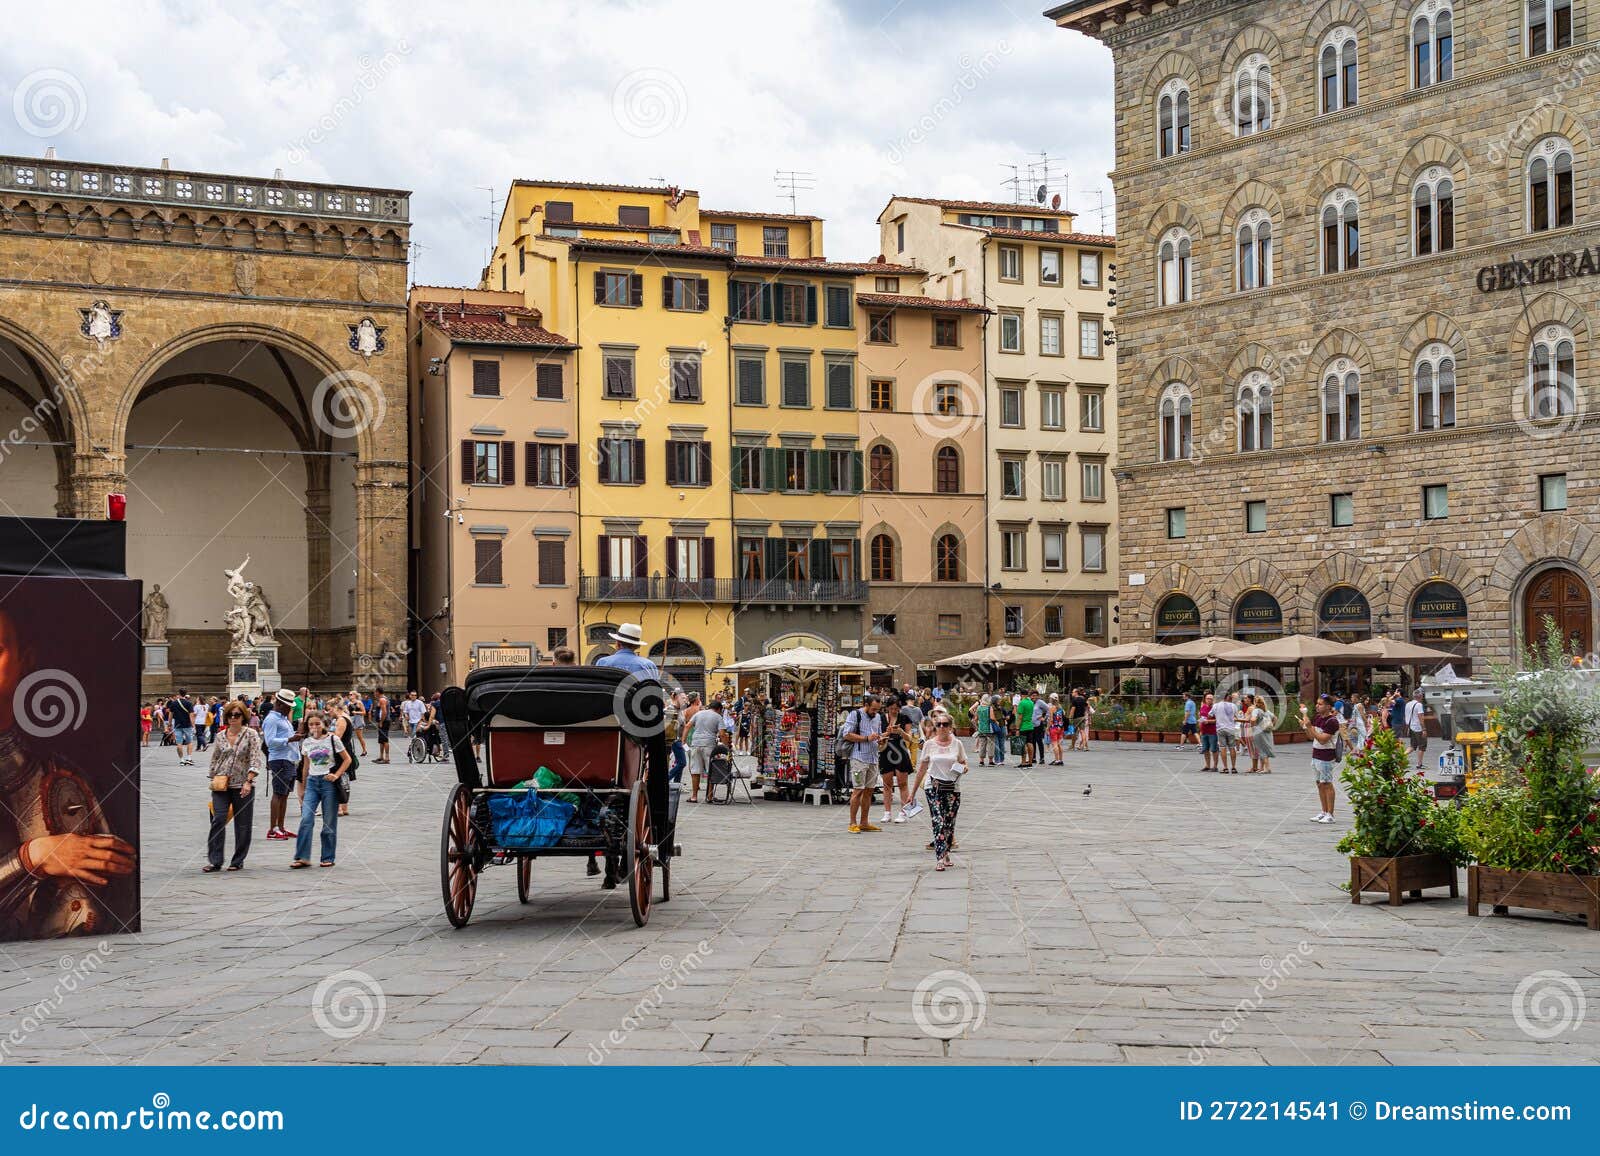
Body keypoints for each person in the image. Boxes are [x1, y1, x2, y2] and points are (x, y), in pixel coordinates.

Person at [203, 701, 265, 872]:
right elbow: (215, 758)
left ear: (243, 716)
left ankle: (237, 860)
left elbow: (255, 759)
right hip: (221, 784)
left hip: (242, 784)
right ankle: (215, 860)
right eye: (230, 715)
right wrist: (213, 777)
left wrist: (249, 781)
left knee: (243, 824)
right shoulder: (220, 736)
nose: (233, 718)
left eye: (236, 715)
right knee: (218, 819)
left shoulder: (251, 734)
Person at [291, 711, 349, 869]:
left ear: (324, 724)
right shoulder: (307, 742)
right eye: (311, 724)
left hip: (328, 783)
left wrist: (336, 775)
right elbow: (305, 766)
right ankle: (302, 857)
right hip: (312, 782)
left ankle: (327, 856)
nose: (314, 727)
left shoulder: (333, 739)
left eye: (317, 723)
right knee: (306, 819)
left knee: (329, 822)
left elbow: (347, 759)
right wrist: (303, 788)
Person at [911, 710, 968, 869]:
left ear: (950, 727)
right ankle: (940, 858)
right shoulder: (929, 744)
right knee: (938, 820)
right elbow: (921, 769)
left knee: (949, 822)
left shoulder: (957, 744)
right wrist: (912, 793)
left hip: (952, 788)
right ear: (935, 726)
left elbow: (964, 763)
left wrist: (963, 768)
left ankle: (946, 852)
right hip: (933, 787)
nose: (942, 727)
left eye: (945, 724)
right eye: (939, 724)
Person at [840, 693, 886, 833]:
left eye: (878, 709)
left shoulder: (877, 717)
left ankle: (864, 822)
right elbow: (846, 734)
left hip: (873, 758)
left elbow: (878, 734)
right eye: (873, 709)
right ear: (866, 705)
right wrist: (866, 738)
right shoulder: (855, 715)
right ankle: (852, 823)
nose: (875, 712)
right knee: (858, 790)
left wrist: (882, 739)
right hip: (858, 758)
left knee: (869, 791)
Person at [262, 688, 299, 841]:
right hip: (279, 759)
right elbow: (269, 742)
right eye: (288, 706)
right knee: (278, 793)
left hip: (289, 759)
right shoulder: (272, 719)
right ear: (280, 704)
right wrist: (290, 739)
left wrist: (296, 735)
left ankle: (281, 827)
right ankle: (273, 829)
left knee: (284, 794)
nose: (290, 709)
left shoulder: (283, 719)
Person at [1303, 695, 1343, 824]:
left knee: (1327, 783)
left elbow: (1323, 739)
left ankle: (1330, 814)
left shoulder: (1332, 721)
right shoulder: (1318, 718)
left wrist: (1310, 727)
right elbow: (1311, 737)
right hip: (1316, 753)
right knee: (1319, 783)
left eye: (1320, 704)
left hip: (1327, 755)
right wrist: (1306, 727)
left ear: (1328, 706)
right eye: (1317, 703)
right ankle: (1324, 811)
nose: (1317, 706)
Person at [686, 693, 727, 803]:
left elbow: (687, 726)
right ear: (719, 709)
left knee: (695, 771)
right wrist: (726, 747)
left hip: (695, 743)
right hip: (709, 745)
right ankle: (709, 796)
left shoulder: (699, 714)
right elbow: (722, 734)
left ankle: (694, 796)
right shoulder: (718, 717)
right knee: (710, 771)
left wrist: (683, 741)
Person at [878, 698, 913, 824]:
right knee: (887, 784)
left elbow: (910, 738)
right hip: (885, 750)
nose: (894, 711)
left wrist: (901, 732)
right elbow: (877, 736)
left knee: (902, 783)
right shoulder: (880, 718)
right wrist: (886, 733)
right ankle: (887, 812)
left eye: (896, 709)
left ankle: (903, 812)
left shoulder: (904, 718)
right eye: (891, 708)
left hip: (900, 750)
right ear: (887, 707)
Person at [327, 698, 361, 817]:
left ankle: (339, 808)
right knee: (344, 779)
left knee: (337, 779)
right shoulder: (345, 717)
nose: (328, 712)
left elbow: (337, 737)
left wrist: (326, 734)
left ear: (336, 708)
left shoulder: (341, 719)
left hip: (341, 752)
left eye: (330, 709)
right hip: (345, 749)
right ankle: (344, 807)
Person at [594, 623, 660, 678]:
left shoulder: (602, 662)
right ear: (637, 646)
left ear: (618, 644)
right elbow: (653, 688)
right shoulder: (648, 665)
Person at [167, 688, 197, 766]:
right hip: (187, 725)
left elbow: (170, 714)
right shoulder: (189, 703)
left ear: (179, 693)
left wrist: (169, 724)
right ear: (185, 694)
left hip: (177, 725)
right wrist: (193, 726)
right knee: (189, 742)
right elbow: (191, 716)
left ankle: (181, 760)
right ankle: (189, 758)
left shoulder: (174, 703)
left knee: (179, 743)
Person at [1213, 691, 1240, 773]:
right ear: (1227, 697)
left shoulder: (1216, 705)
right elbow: (1237, 716)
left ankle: (1225, 768)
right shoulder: (1233, 706)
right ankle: (1233, 767)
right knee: (1232, 747)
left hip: (1220, 728)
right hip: (1231, 728)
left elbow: (1210, 715)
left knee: (1223, 747)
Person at [1405, 689, 1429, 769]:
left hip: (1411, 727)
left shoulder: (1408, 704)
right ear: (1420, 696)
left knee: (1412, 746)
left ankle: (1400, 757)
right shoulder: (1419, 705)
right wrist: (1424, 729)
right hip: (1418, 728)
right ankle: (1419, 764)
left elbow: (1406, 716)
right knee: (1422, 746)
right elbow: (1421, 718)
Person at [1015, 689, 1036, 767]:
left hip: (1023, 726)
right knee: (1030, 743)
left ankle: (1023, 762)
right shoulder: (1031, 702)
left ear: (1021, 695)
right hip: (1030, 725)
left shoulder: (1022, 703)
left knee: (1023, 744)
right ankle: (1030, 762)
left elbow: (1020, 717)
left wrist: (1017, 728)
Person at [1197, 691, 1217, 770]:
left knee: (1214, 749)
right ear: (1205, 699)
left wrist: (1208, 721)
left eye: (1210, 699)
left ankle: (1215, 766)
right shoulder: (1203, 707)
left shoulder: (1215, 708)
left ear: (1213, 700)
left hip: (1213, 731)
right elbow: (1201, 716)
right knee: (1205, 749)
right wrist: (1200, 726)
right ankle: (1207, 765)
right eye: (1207, 698)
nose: (1209, 700)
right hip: (1204, 731)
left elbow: (1218, 720)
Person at [372, 689, 392, 764]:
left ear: (378, 692)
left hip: (384, 721)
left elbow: (384, 712)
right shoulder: (383, 699)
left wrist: (381, 722)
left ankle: (387, 758)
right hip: (383, 721)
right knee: (381, 740)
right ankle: (381, 757)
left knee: (385, 740)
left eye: (375, 692)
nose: (374, 693)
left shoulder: (382, 700)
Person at [973, 694, 993, 766]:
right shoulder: (989, 708)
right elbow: (992, 718)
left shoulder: (979, 708)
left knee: (982, 744)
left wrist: (977, 726)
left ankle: (981, 761)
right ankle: (990, 761)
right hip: (989, 729)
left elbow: (975, 718)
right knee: (991, 744)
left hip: (981, 728)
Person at [1046, 694, 1066, 765]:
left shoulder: (1052, 708)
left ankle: (1056, 760)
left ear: (1052, 699)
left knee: (1054, 744)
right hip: (1060, 728)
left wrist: (1047, 728)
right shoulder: (1060, 707)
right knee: (1059, 744)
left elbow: (1051, 719)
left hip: (1054, 727)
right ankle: (1060, 760)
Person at [348, 692, 369, 757]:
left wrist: (356, 712)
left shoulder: (359, 702)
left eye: (351, 694)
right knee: (348, 736)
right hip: (351, 719)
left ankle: (364, 750)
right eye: (349, 694)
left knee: (359, 737)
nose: (349, 695)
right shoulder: (349, 703)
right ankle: (349, 751)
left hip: (358, 719)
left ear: (355, 695)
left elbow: (364, 712)